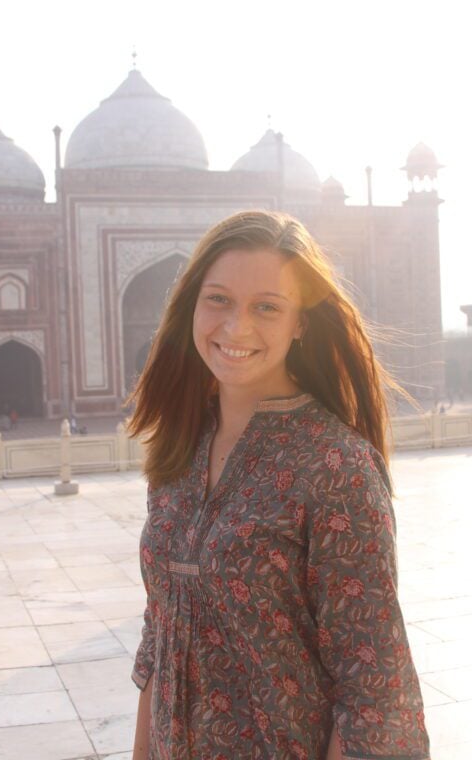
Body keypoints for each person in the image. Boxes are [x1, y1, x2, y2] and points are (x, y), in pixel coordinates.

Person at [127, 211, 431, 760]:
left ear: (300, 323)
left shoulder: (334, 466)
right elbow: (160, 641)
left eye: (266, 307)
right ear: (191, 305)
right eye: (218, 299)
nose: (236, 327)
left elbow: (373, 688)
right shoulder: (179, 451)